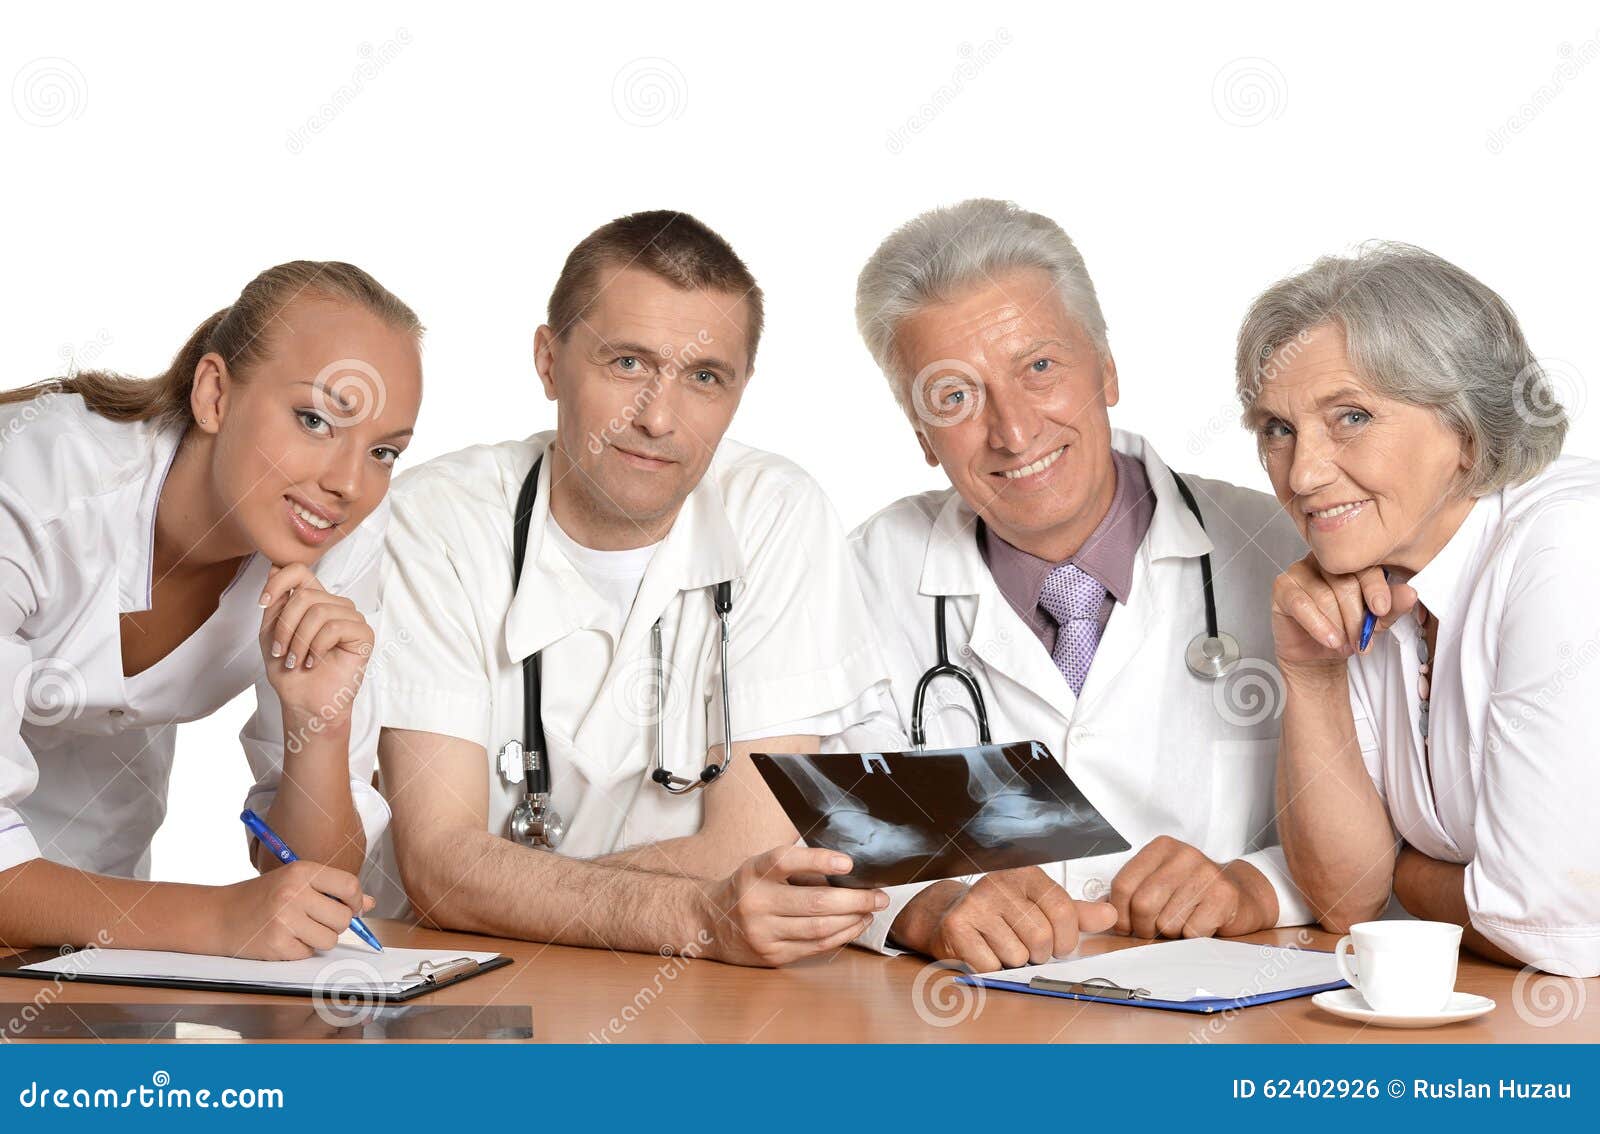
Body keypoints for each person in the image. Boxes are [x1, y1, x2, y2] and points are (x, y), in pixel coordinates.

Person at [372, 210, 890, 967]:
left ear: (742, 389)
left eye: (704, 377)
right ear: (549, 361)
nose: (658, 418)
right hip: (464, 999)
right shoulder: (436, 519)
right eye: (627, 365)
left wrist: (509, 893)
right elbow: (439, 871)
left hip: (691, 1005)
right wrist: (694, 911)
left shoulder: (777, 512)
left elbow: (754, 847)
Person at [839, 199, 1315, 972]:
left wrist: (1256, 888)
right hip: (978, 1034)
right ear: (920, 435)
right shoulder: (862, 574)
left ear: (1107, 367)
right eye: (954, 397)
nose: (1014, 431)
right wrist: (921, 906)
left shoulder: (1282, 548)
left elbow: (1392, 819)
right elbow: (820, 833)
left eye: (1039, 368)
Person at [0, 261, 424, 959]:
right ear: (215, 395)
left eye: (383, 451)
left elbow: (317, 885)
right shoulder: (34, 487)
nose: (349, 482)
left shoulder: (335, 536)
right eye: (314, 419)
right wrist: (220, 922)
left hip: (89, 919)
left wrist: (318, 724)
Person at [1240, 242, 1600, 978]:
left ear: (1467, 434)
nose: (1303, 474)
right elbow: (1345, 899)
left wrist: (1404, 869)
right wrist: (1308, 674)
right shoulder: (1378, 567)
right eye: (1277, 428)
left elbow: (1553, 933)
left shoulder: (1568, 547)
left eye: (1352, 417)